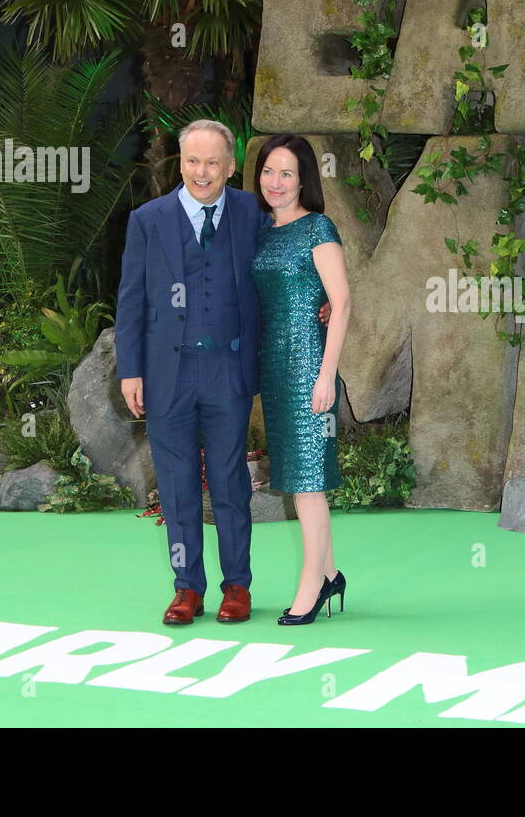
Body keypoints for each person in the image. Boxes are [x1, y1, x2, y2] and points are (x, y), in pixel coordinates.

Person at [114, 119, 268, 625]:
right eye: (192, 161)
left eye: (213, 162)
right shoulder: (148, 220)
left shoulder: (252, 212)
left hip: (229, 369)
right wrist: (131, 370)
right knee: (177, 486)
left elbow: (282, 270)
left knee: (230, 483)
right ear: (179, 164)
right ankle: (187, 589)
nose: (202, 172)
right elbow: (131, 300)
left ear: (229, 167)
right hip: (166, 375)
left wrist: (321, 303)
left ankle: (237, 587)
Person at [251, 133, 351, 625]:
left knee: (307, 483)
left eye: (286, 172)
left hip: (310, 365)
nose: (276, 181)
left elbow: (343, 301)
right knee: (296, 476)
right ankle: (330, 574)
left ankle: (310, 587)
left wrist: (326, 374)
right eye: (269, 171)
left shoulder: (318, 228)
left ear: (303, 179)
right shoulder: (258, 230)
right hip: (273, 367)